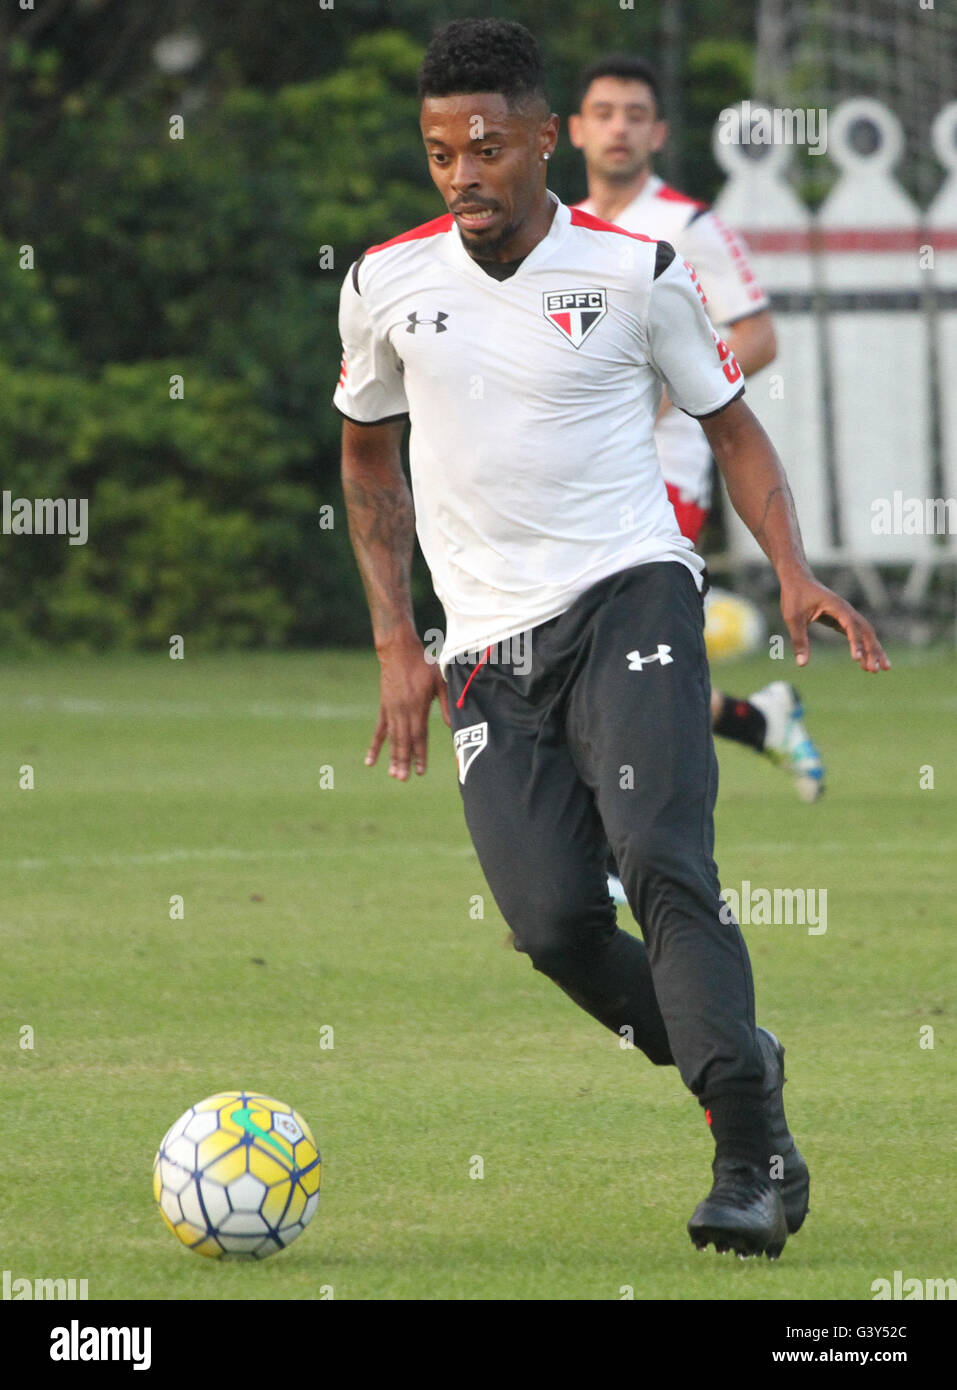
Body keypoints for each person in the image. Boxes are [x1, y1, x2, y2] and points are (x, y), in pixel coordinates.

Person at [334, 17, 889, 1259]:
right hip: (484, 649)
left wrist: (792, 569)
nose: (463, 174)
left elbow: (733, 428)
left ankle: (747, 1158)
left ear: (543, 139)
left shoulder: (637, 270)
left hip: (632, 597)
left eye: (486, 148)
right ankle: (743, 1053)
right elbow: (369, 458)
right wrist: (395, 645)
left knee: (662, 857)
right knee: (553, 929)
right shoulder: (385, 284)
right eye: (438, 152)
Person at [570, 54, 826, 807]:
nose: (619, 127)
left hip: (664, 474)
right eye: (605, 112)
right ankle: (757, 720)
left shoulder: (687, 226)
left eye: (635, 114)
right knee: (604, 666)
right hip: (580, 478)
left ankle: (617, 857)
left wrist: (670, 384)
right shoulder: (562, 232)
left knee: (615, 667)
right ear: (575, 129)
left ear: (658, 132)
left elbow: (758, 336)